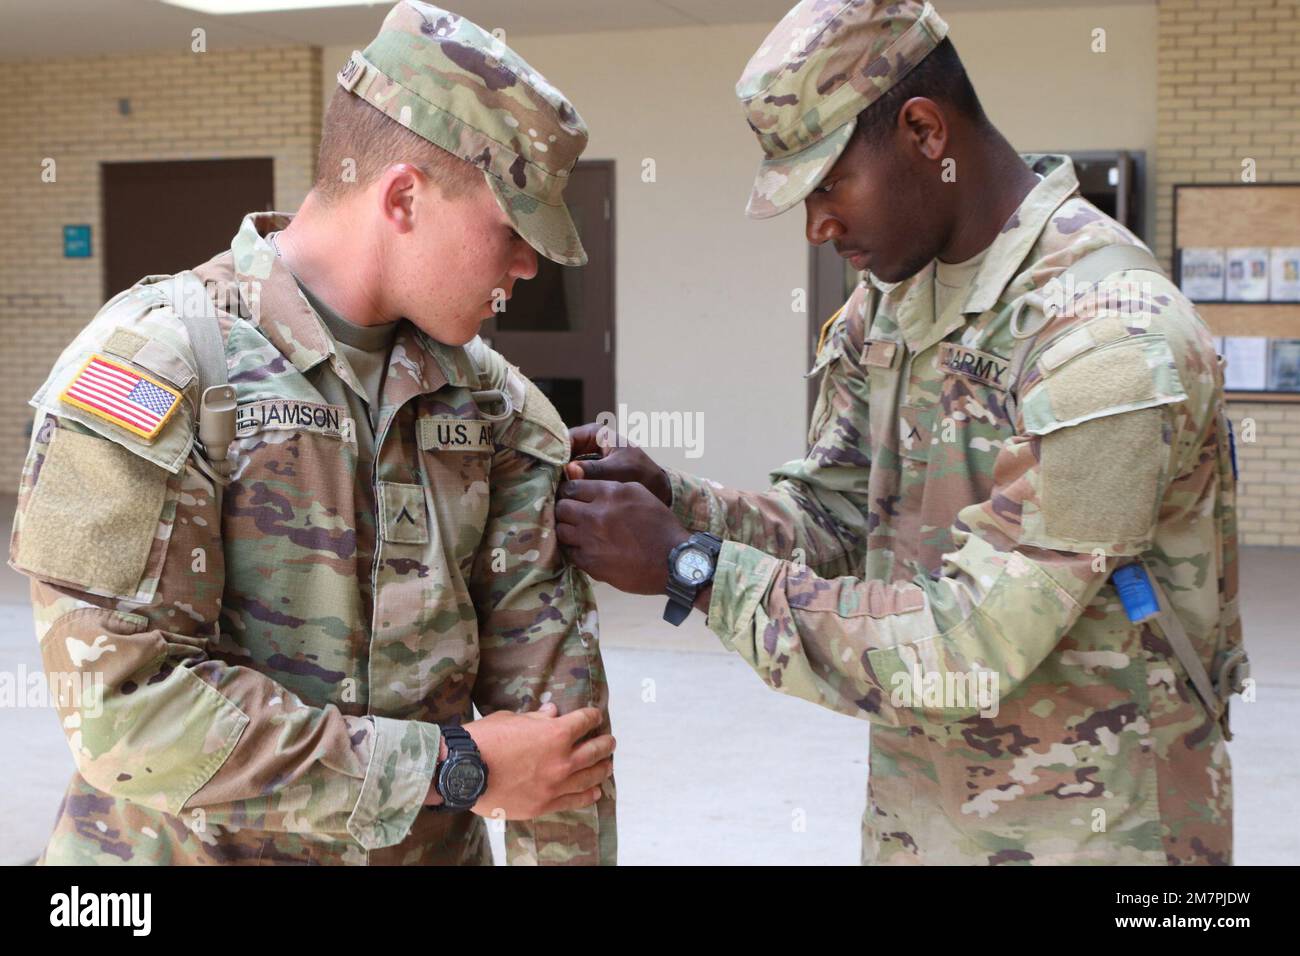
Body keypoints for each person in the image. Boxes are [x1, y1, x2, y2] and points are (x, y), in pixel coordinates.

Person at [556, 0, 1245, 865]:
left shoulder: (1107, 339)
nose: (816, 225)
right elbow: (838, 522)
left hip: (1102, 837)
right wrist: (683, 507)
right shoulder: (886, 310)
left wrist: (693, 568)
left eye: (828, 185)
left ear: (923, 131)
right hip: (920, 823)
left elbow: (970, 646)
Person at [10, 0, 616, 866]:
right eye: (512, 232)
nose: (529, 265)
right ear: (403, 196)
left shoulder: (498, 409)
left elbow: (565, 747)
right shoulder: (155, 366)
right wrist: (455, 770)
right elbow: (122, 710)